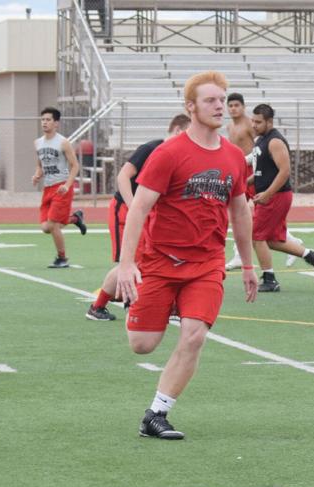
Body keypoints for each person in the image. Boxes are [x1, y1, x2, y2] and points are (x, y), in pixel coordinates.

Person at [116, 71, 258, 439]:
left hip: (207, 264)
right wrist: (126, 264)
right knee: (142, 344)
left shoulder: (234, 157)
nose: (219, 106)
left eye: (222, 100)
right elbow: (139, 208)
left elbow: (240, 212)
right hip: (160, 262)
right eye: (211, 100)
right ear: (190, 106)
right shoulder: (168, 153)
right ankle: (153, 304)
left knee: (194, 336)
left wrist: (248, 264)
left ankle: (157, 414)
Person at [86, 113, 191, 321]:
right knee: (130, 261)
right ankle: (99, 306)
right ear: (178, 130)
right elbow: (123, 176)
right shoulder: (152, 148)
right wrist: (134, 205)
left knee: (151, 259)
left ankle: (164, 305)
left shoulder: (177, 155)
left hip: (148, 213)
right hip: (126, 209)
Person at [246, 104, 314, 292]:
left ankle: (270, 279)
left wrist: (268, 194)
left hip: (276, 196)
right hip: (270, 195)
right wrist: (245, 182)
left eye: (258, 122)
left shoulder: (274, 141)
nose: (254, 125)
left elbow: (284, 171)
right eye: (253, 121)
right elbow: (260, 172)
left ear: (269, 122)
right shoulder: (261, 140)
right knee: (272, 239)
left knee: (257, 237)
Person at [223, 94, 305, 271]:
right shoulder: (230, 126)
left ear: (243, 107)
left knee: (253, 219)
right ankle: (239, 255)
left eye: (237, 105)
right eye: (230, 105)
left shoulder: (251, 126)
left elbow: (261, 152)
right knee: (242, 214)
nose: (233, 109)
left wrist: (244, 164)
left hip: (255, 170)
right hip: (245, 172)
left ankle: (290, 244)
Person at [32, 106, 87, 268]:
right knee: (45, 228)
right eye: (43, 119)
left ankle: (62, 258)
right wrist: (37, 175)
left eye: (48, 120)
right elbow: (40, 164)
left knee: (53, 224)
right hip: (47, 188)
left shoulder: (63, 142)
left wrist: (67, 185)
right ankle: (75, 218)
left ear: (56, 123)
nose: (44, 122)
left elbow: (75, 166)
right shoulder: (38, 143)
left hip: (61, 187)